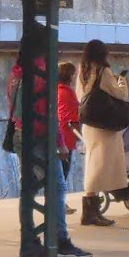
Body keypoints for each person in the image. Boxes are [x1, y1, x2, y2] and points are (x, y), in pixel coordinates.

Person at [8, 55, 91, 257]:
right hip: (39, 137)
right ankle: (58, 239)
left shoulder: (17, 73)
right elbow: (49, 112)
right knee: (56, 187)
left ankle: (31, 240)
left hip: (21, 133)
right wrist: (60, 143)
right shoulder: (42, 73)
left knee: (29, 188)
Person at [77, 40, 129, 227]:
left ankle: (92, 211)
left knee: (93, 163)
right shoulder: (103, 71)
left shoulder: (83, 70)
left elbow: (80, 96)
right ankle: (91, 212)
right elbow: (119, 94)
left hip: (90, 123)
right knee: (100, 167)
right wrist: (122, 81)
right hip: (104, 126)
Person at [56, 62, 80, 215]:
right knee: (62, 172)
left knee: (60, 172)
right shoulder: (66, 92)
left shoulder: (56, 90)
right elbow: (65, 115)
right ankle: (59, 203)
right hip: (65, 137)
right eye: (73, 74)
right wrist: (79, 118)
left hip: (62, 136)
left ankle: (59, 203)